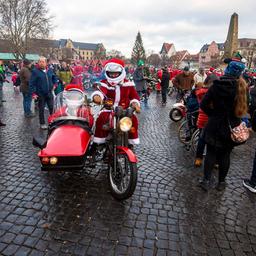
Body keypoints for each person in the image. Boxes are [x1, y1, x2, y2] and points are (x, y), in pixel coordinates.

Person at [198, 59, 247, 191]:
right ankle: (221, 182)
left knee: (211, 153)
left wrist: (213, 114)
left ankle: (206, 181)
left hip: (214, 124)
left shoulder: (216, 85)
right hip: (232, 126)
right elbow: (243, 109)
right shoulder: (241, 87)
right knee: (225, 155)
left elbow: (203, 104)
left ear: (228, 69)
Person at [91, 58, 140, 146]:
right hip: (109, 109)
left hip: (125, 110)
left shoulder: (128, 83)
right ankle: (99, 142)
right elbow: (102, 91)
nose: (113, 76)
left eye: (115, 73)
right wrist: (97, 96)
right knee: (101, 118)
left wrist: (135, 104)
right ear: (107, 73)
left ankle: (130, 141)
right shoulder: (105, 83)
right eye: (111, 73)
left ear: (121, 72)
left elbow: (134, 96)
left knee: (133, 120)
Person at [29, 56, 58, 129]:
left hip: (49, 93)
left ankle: (53, 121)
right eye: (40, 62)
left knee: (52, 108)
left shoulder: (50, 70)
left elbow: (54, 77)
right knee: (41, 109)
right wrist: (33, 93)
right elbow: (31, 83)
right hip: (40, 94)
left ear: (46, 63)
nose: (41, 63)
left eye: (43, 62)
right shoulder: (35, 71)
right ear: (38, 63)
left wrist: (55, 84)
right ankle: (42, 123)